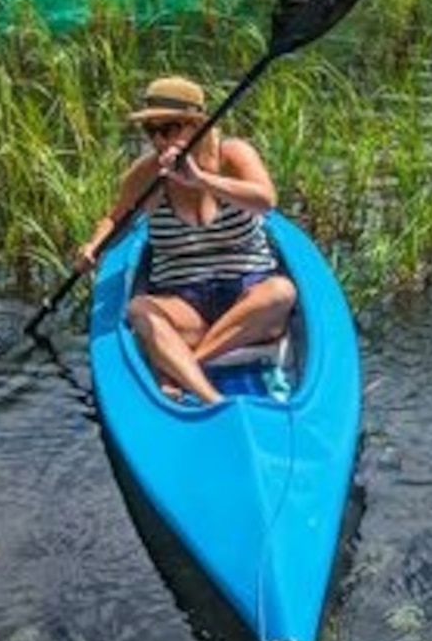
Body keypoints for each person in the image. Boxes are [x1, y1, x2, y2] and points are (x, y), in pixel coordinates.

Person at [79, 73, 295, 406]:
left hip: (246, 296)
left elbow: (265, 200)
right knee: (139, 310)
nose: (159, 140)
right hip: (184, 303)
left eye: (169, 128)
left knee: (281, 292)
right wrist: (94, 246)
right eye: (151, 130)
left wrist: (201, 180)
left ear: (198, 125)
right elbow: (114, 218)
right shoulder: (148, 173)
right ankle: (212, 399)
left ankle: (182, 367)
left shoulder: (232, 155)